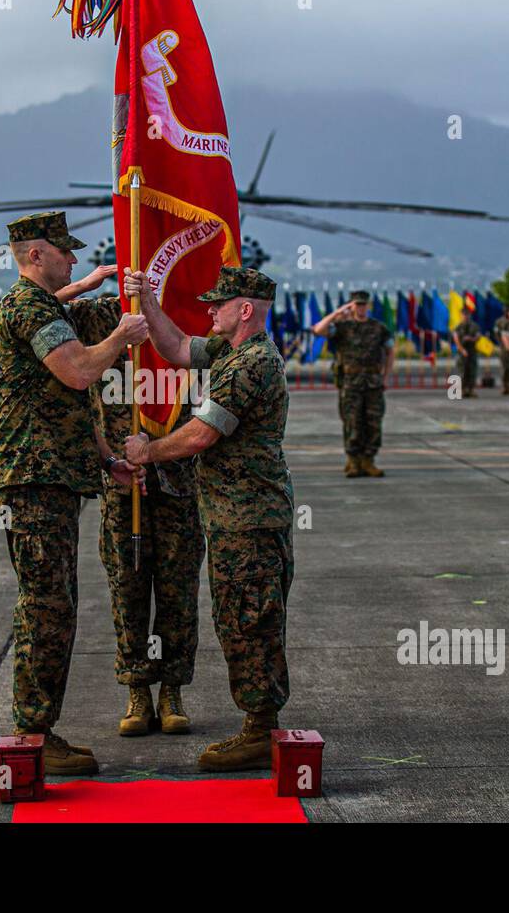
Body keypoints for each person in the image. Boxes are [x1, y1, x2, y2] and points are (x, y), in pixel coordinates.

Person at [0, 211, 148, 775]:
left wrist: (106, 460)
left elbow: (71, 406)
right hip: (32, 478)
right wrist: (121, 336)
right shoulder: (30, 308)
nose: (73, 260)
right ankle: (33, 732)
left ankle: (38, 728)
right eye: (64, 252)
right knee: (46, 606)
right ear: (35, 255)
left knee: (55, 603)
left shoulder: (43, 306)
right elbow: (78, 374)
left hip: (48, 475)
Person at [123, 265, 294, 772]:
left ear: (245, 310)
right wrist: (148, 300)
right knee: (237, 617)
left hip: (250, 520)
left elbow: (201, 435)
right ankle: (258, 723)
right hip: (232, 517)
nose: (208, 311)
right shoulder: (231, 352)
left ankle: (261, 729)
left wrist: (146, 452)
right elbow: (176, 347)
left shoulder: (251, 363)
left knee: (251, 620)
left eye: (218, 304)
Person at [57, 263, 204, 736]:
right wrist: (83, 285)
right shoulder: (99, 317)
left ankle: (173, 690)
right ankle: (137, 691)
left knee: (179, 593)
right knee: (128, 590)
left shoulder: (186, 319)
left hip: (180, 481)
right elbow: (37, 314)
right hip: (123, 485)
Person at [313, 290, 394, 475]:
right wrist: (338, 312)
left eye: (363, 304)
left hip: (373, 382)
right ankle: (353, 461)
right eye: (357, 304)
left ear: (368, 306)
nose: (361, 308)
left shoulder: (378, 328)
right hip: (350, 383)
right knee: (352, 421)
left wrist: (386, 377)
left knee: (373, 422)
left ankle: (368, 461)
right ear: (352, 306)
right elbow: (318, 329)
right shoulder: (342, 327)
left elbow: (390, 351)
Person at [452, 306, 483, 398]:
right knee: (462, 371)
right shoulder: (458, 327)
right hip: (462, 352)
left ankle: (471, 390)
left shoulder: (474, 326)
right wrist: (462, 350)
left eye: (467, 314)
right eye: (464, 314)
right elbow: (456, 340)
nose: (466, 316)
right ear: (461, 315)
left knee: (472, 371)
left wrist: (472, 339)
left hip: (472, 351)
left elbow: (478, 336)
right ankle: (461, 390)